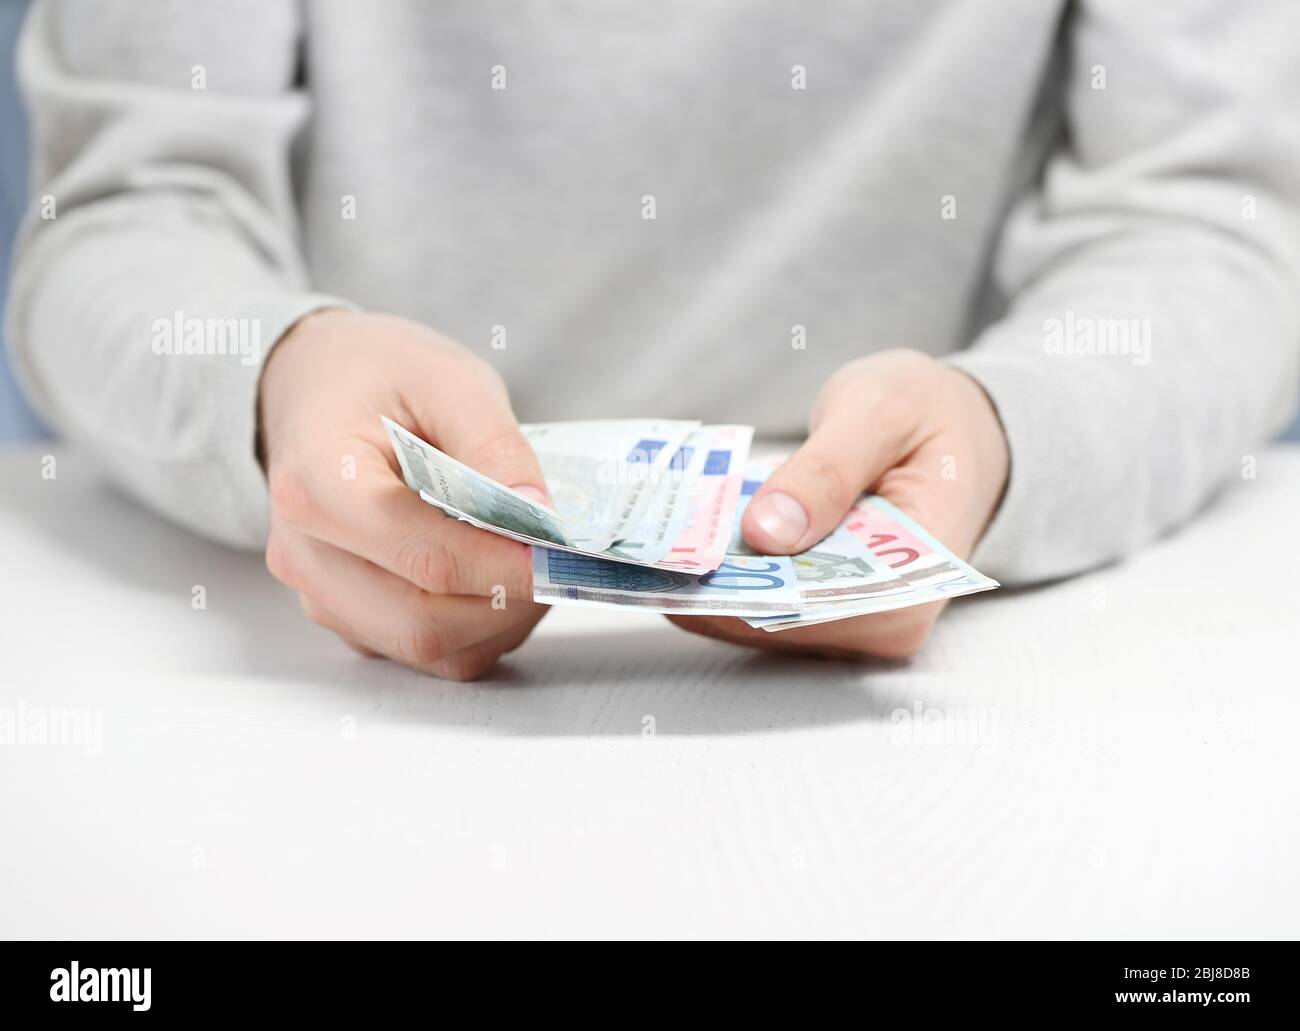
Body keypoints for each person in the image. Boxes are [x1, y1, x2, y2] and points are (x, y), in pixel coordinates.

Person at [7, 1, 1299, 679]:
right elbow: (126, 209)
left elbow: (1205, 223)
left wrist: (1009, 440)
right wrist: (274, 374)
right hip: (300, 682)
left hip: (995, 680)